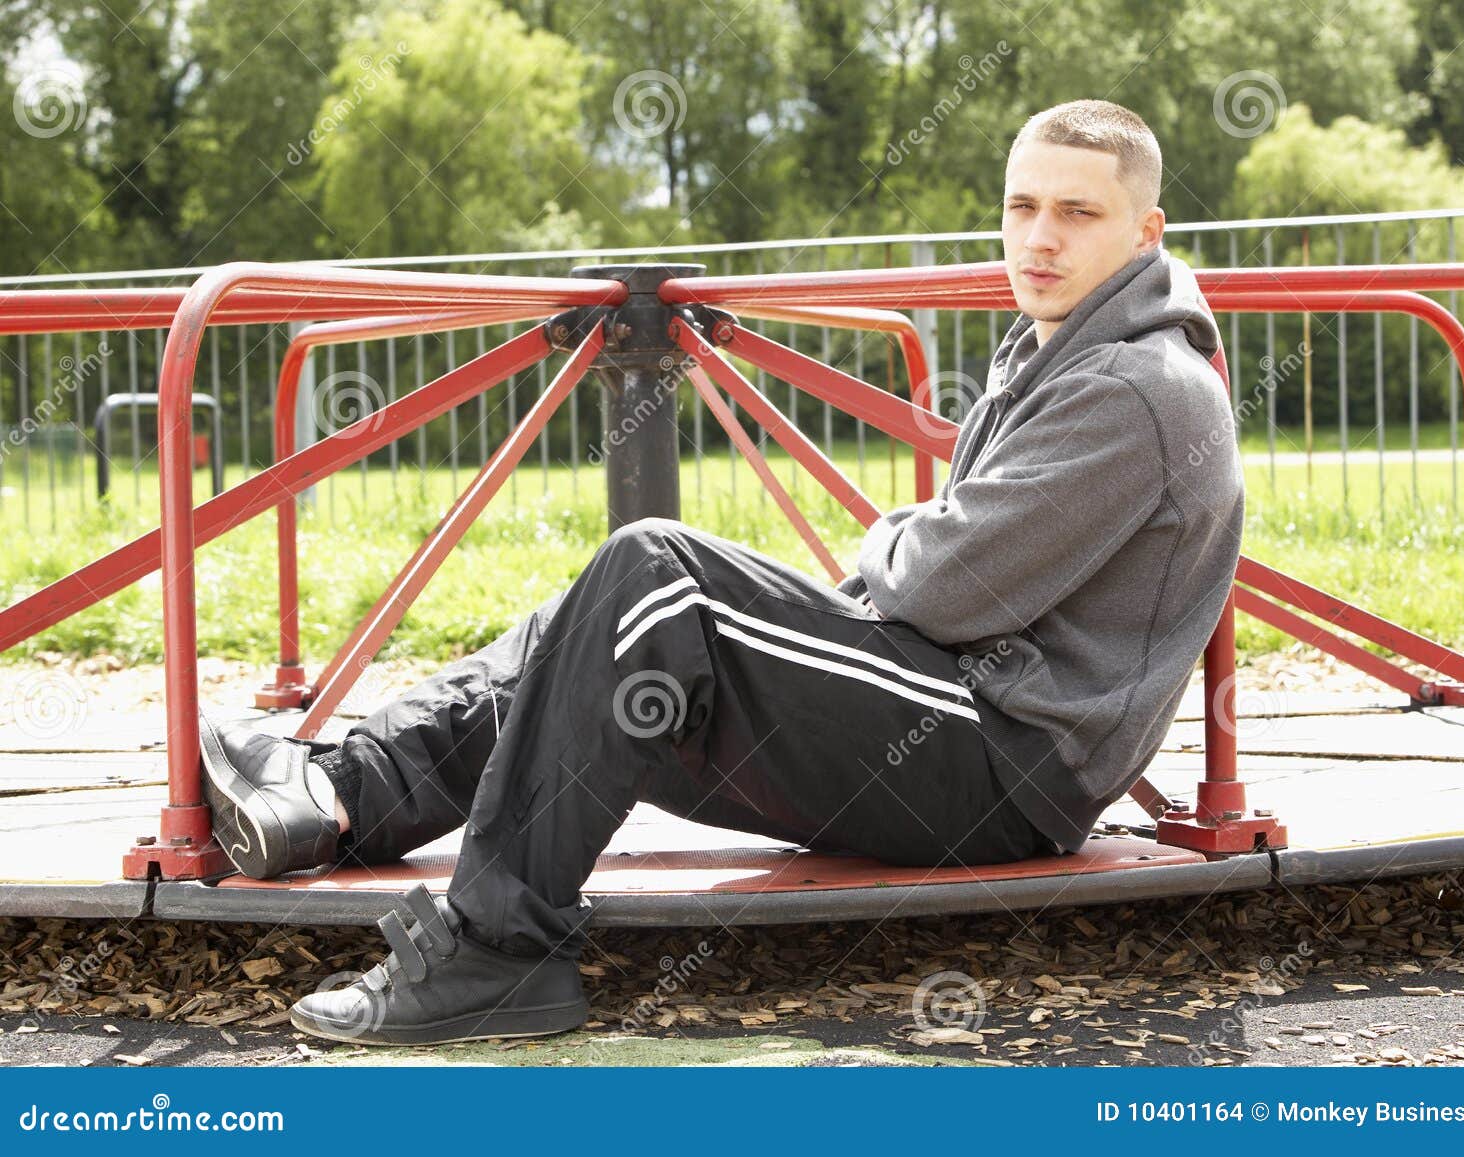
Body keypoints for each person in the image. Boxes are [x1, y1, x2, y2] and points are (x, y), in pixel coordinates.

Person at [196, 98, 1245, 1046]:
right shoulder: (1063, 347)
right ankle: (336, 794)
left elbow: (939, 581)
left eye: (1078, 213)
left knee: (659, 572)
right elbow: (947, 568)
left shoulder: (1139, 386)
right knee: (603, 622)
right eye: (1021, 206)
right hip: (951, 709)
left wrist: (893, 531)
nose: (1040, 237)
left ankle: (497, 948)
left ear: (1145, 232)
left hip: (1001, 761)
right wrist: (916, 540)